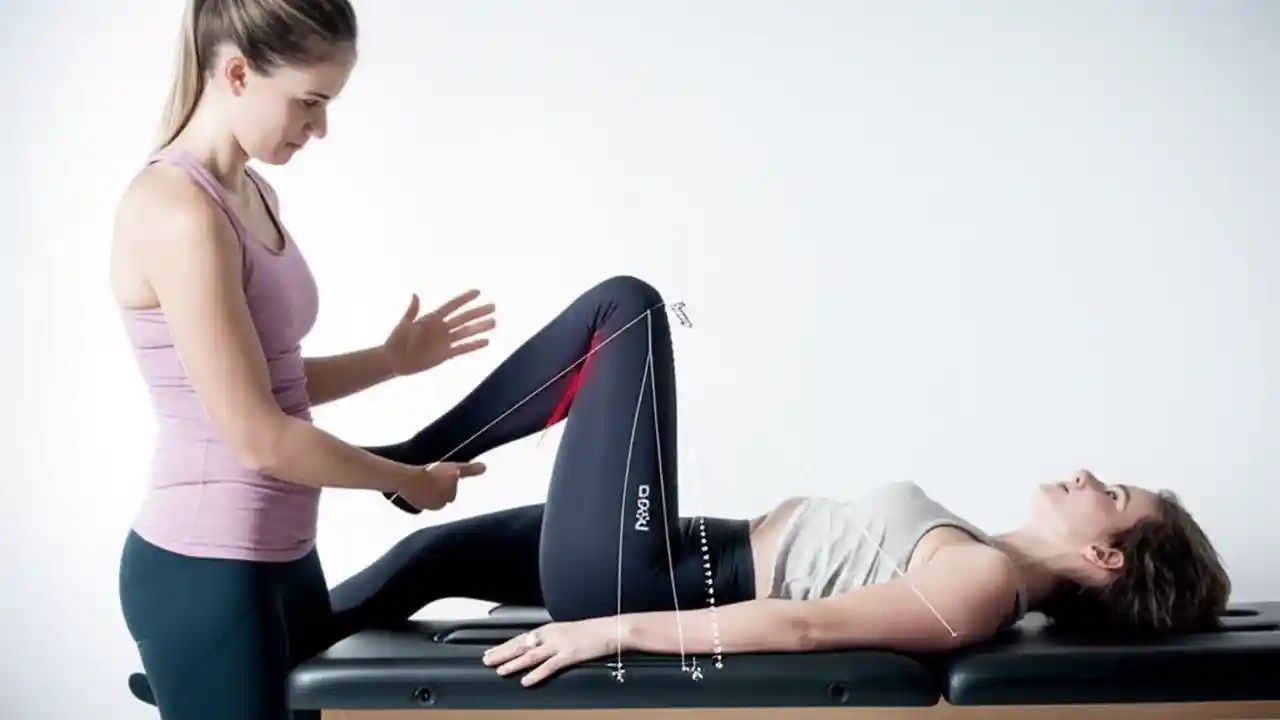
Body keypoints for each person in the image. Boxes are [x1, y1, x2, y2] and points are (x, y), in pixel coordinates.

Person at [114, 1, 1233, 716]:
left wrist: (608, 628)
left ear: (1108, 562)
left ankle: (417, 460)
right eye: (312, 103)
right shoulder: (985, 554)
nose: (1091, 474)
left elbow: (796, 626)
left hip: (646, 581)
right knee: (435, 556)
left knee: (630, 314)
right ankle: (201, 667)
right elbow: (256, 397)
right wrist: (400, 372)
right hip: (662, 549)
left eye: (1113, 496)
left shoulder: (986, 581)